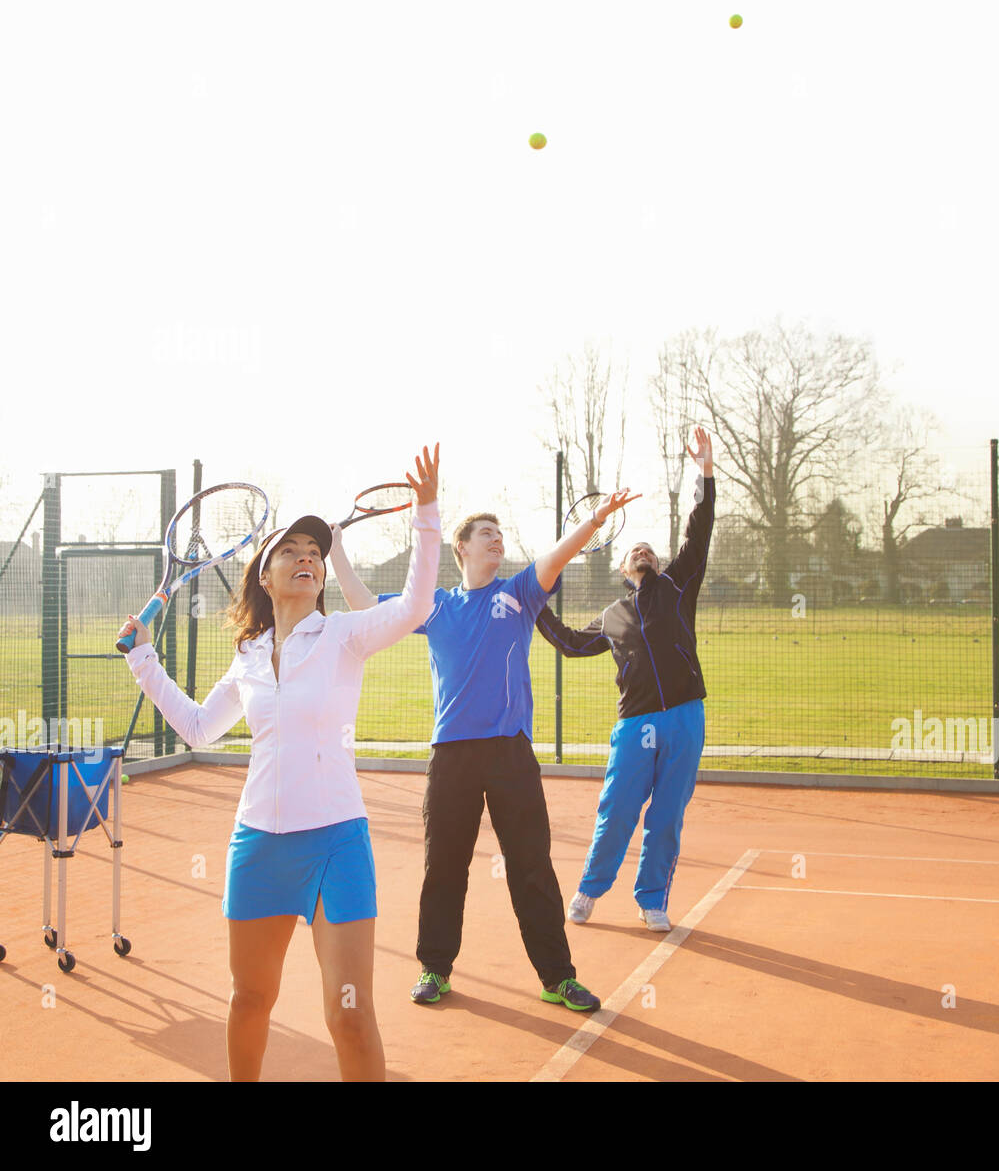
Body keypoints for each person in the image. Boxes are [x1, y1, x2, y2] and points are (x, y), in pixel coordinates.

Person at [118, 445, 441, 1082]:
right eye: (292, 550)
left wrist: (426, 516)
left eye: (315, 553)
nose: (308, 559)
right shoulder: (248, 655)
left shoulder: (346, 635)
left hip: (336, 847)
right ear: (265, 576)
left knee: (349, 1013)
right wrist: (144, 660)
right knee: (250, 1000)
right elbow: (198, 728)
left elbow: (414, 607)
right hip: (258, 847)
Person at [330, 483, 639, 1011]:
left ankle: (557, 976)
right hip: (452, 756)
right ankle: (434, 968)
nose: (496, 540)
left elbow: (559, 554)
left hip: (510, 754)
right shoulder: (433, 605)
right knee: (444, 865)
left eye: (499, 535)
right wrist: (334, 547)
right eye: (485, 534)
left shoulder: (518, 593)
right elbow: (363, 604)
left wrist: (596, 520)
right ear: (461, 549)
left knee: (532, 867)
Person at [535, 427, 714, 933]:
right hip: (636, 725)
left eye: (650, 550)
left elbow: (698, 531)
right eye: (636, 551)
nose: (644, 553)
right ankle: (590, 890)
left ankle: (652, 899)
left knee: (666, 818)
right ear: (621, 567)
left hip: (684, 716)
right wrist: (535, 608)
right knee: (617, 813)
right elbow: (571, 643)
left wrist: (704, 472)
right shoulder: (612, 615)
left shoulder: (679, 586)